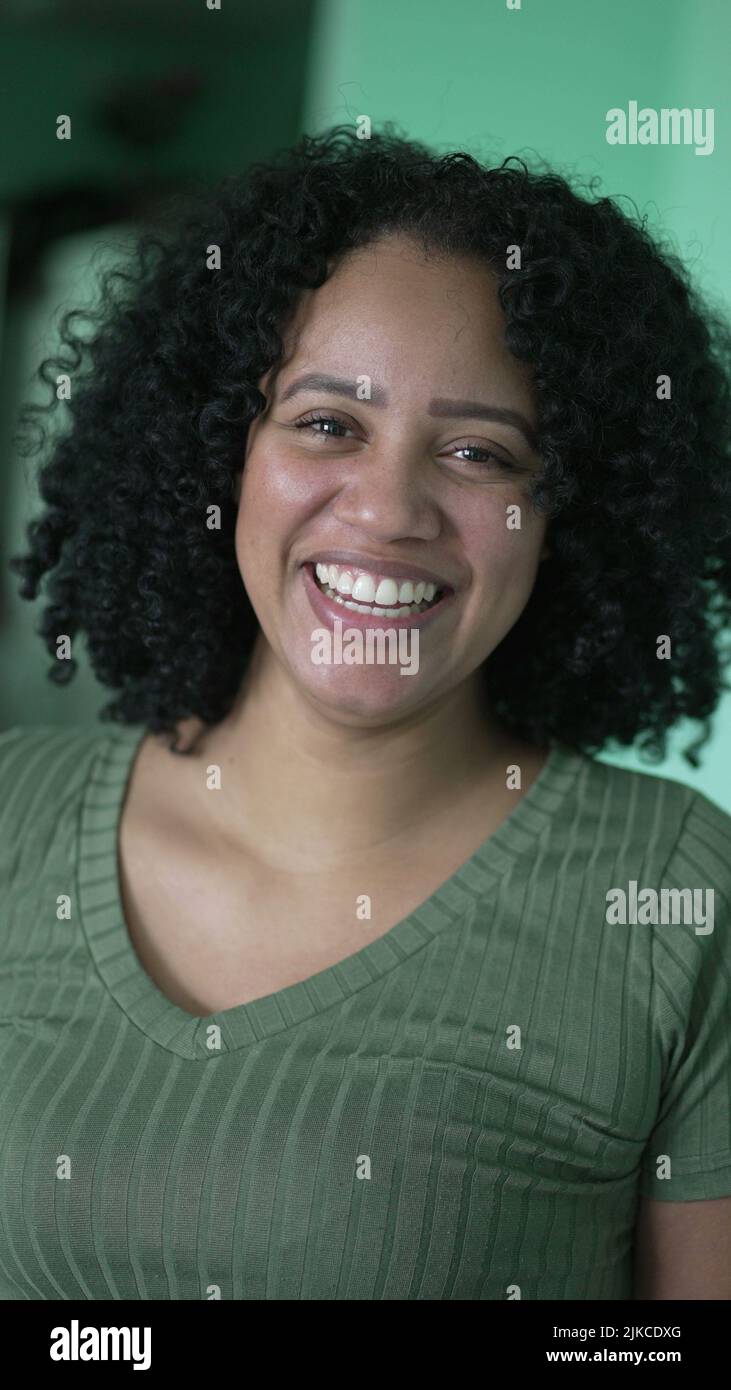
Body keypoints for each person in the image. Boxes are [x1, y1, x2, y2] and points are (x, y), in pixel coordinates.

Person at [1, 126, 730, 1302]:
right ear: (217, 457)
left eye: (478, 452)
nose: (389, 509)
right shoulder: (9, 818)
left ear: (568, 513)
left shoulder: (672, 896)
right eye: (328, 423)